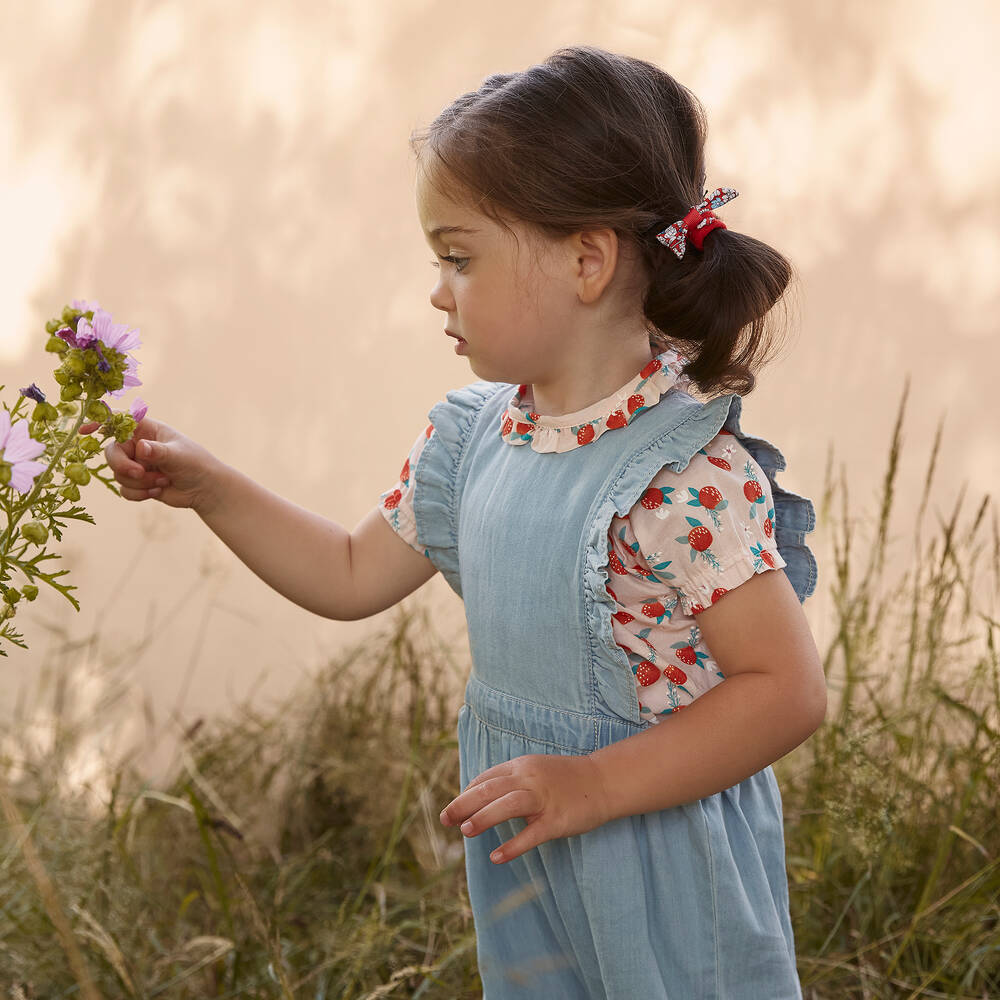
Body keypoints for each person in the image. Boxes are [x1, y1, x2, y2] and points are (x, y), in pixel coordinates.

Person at [88, 45, 825, 1000]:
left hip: (666, 868)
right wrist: (213, 490)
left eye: (458, 257)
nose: (437, 289)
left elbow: (785, 692)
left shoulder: (682, 477)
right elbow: (352, 573)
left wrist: (595, 786)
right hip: (536, 857)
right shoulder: (473, 438)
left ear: (587, 261)